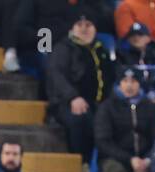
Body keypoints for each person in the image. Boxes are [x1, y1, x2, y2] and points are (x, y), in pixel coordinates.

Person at [46, 12, 113, 161]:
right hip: (68, 102)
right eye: (80, 25)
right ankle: (82, 162)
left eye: (88, 25)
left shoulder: (101, 50)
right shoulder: (63, 48)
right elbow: (57, 75)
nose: (84, 29)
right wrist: (73, 97)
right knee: (80, 119)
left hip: (100, 103)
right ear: (72, 28)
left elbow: (113, 77)